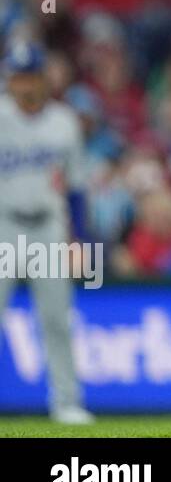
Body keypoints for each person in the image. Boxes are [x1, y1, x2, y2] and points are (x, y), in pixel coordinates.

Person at [0, 41, 94, 424]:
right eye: (16, 77)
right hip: (4, 225)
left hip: (48, 228)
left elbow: (76, 188)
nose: (22, 85)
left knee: (56, 318)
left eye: (28, 76)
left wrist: (81, 239)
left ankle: (67, 402)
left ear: (43, 79)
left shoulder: (64, 121)